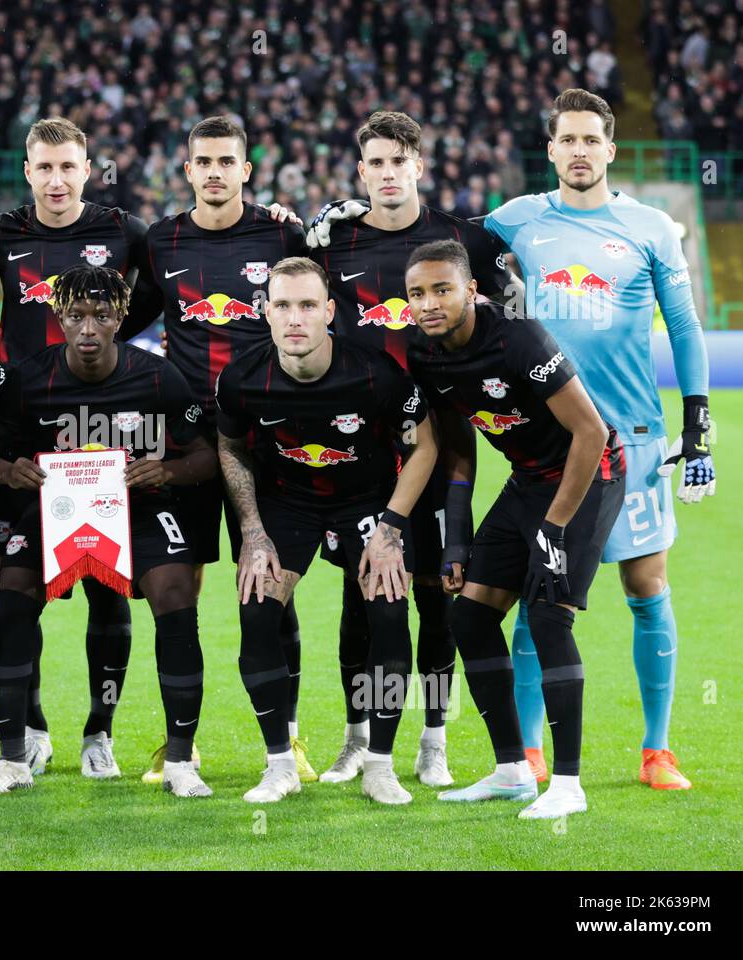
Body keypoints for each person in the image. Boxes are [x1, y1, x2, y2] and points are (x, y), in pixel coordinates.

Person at [483, 89, 713, 790]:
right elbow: (437, 238)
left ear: (611, 150)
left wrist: (697, 427)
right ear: (550, 150)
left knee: (648, 586)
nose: (579, 152)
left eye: (592, 140)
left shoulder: (649, 227)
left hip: (634, 439)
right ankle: (526, 754)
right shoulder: (518, 219)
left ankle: (656, 749)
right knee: (538, 595)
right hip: (551, 448)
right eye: (567, 140)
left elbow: (685, 326)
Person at [291, 110, 518, 788]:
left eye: (400, 161)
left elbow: (512, 314)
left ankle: (435, 740)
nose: (389, 174)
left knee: (437, 597)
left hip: (445, 445)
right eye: (376, 164)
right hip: (363, 448)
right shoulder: (336, 243)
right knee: (363, 599)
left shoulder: (466, 240)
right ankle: (359, 739)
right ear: (361, 173)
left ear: (420, 165)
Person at [0, 264, 217, 797]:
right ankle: (13, 758)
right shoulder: (30, 377)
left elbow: (207, 454)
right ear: (58, 316)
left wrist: (166, 470)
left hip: (138, 507)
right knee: (12, 603)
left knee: (174, 594)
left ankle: (175, 760)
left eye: (101, 316)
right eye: (75, 315)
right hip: (50, 506)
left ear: (121, 317)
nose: (87, 329)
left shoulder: (157, 376)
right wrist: (9, 472)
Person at [405, 240, 625, 819]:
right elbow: (455, 449)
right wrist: (457, 538)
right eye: (417, 294)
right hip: (528, 479)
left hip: (590, 474)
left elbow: (592, 433)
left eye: (442, 289)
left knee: (549, 615)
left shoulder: (518, 337)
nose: (429, 304)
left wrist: (553, 530)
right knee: (470, 617)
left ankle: (569, 785)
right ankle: (511, 771)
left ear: (471, 289)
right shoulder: (422, 355)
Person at [128, 116, 311, 783]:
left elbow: (320, 307)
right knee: (179, 589)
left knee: (272, 586)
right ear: (186, 171)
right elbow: (122, 320)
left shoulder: (283, 234)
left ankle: (288, 741)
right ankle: (182, 746)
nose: (213, 172)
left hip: (266, 436)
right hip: (185, 438)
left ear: (245, 169)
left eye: (224, 161)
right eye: (201, 161)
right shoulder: (161, 240)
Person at [0, 118, 156, 778]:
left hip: (102, 437)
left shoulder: (122, 232)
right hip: (23, 437)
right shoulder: (1, 234)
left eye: (67, 167)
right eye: (43, 168)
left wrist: (107, 342)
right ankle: (32, 726)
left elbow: (164, 286)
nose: (55, 180)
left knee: (107, 589)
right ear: (28, 171)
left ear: (87, 170)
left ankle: (98, 734)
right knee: (21, 592)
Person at [216, 256, 437, 805]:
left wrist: (389, 529)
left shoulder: (376, 373)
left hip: (364, 503)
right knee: (257, 606)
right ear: (265, 312)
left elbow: (424, 446)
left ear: (330, 313)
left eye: (308, 305)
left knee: (387, 607)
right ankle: (279, 764)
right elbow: (229, 447)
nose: (295, 318)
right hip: (286, 505)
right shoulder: (242, 378)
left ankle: (379, 766)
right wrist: (252, 531)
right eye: (283, 305)